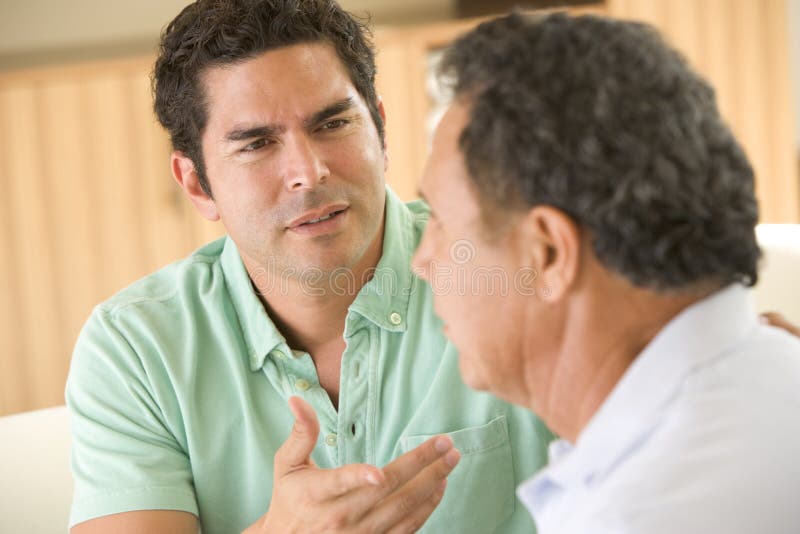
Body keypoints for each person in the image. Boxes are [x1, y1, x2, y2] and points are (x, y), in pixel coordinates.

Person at [65, 1, 553, 533]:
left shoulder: (518, 271)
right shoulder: (137, 346)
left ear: (381, 132)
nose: (308, 171)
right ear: (198, 185)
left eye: (333, 123)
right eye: (257, 144)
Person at [412, 11, 800, 534]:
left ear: (549, 253)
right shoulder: (779, 376)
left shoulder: (632, 515)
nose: (422, 261)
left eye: (439, 220)